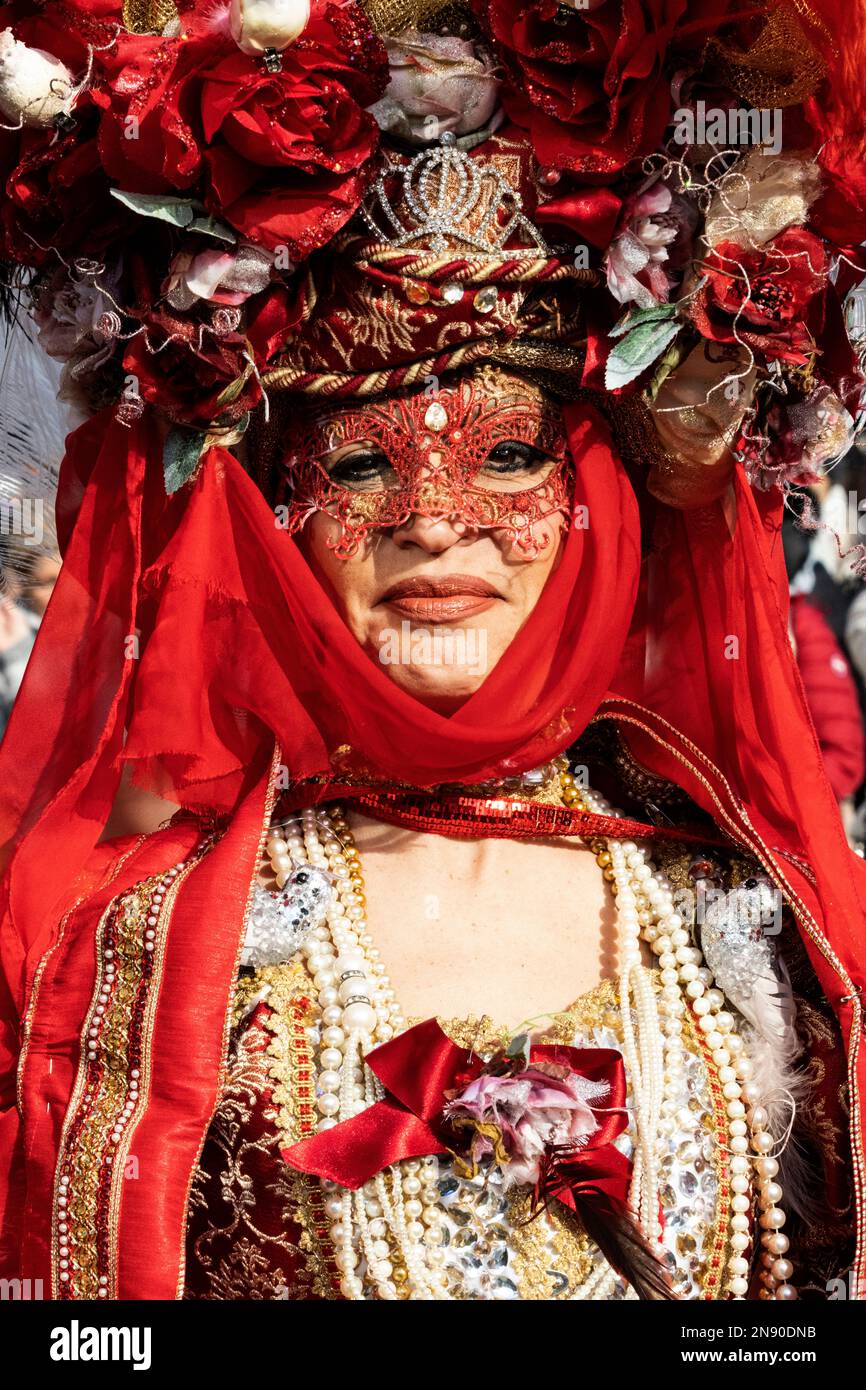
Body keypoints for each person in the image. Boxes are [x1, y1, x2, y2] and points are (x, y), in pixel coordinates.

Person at [0, 0, 864, 1304]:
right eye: (361, 460)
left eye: (510, 452)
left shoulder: (754, 934)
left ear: (608, 490)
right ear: (274, 503)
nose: (437, 522)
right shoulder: (133, 948)